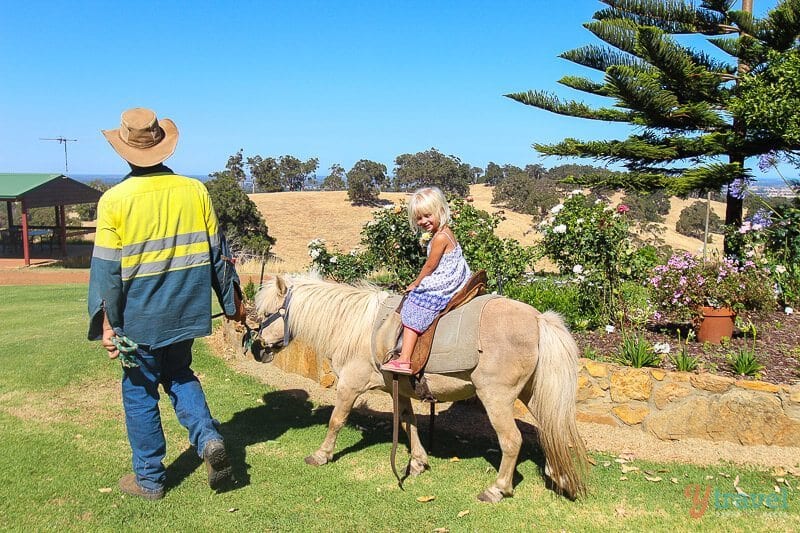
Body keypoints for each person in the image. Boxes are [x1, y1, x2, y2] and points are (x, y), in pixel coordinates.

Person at [87, 107, 247, 500]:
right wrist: (232, 303)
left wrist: (107, 325)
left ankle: (149, 480)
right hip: (185, 314)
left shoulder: (115, 200)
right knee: (180, 375)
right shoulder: (195, 191)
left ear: (125, 151)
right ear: (163, 147)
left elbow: (107, 272)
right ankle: (208, 438)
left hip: (139, 320)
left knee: (140, 392)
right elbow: (219, 256)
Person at [381, 186, 471, 374]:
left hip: (445, 281)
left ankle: (404, 359)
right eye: (419, 218)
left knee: (414, 305)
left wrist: (416, 283)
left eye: (427, 216)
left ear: (440, 210)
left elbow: (430, 266)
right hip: (454, 276)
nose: (423, 221)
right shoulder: (446, 231)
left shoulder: (439, 238)